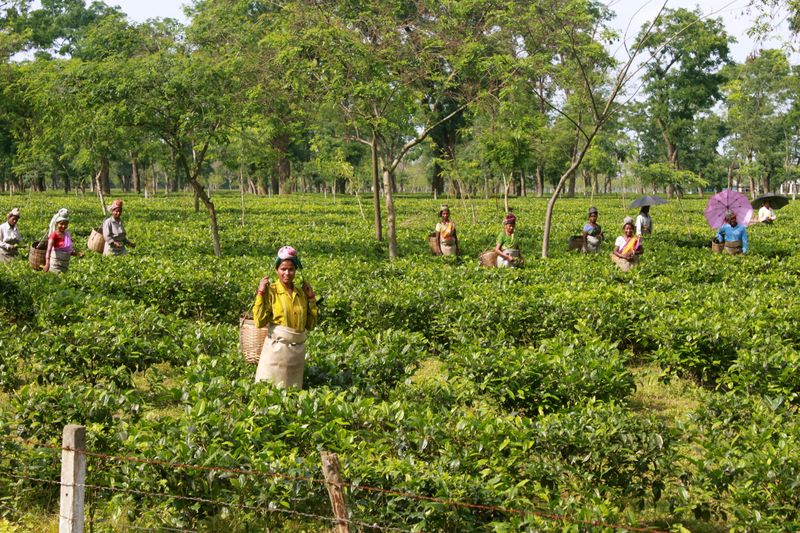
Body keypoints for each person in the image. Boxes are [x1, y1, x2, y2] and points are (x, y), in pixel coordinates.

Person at [253, 246, 318, 388]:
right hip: (275, 352)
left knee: (293, 394)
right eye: (283, 269)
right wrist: (260, 293)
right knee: (269, 391)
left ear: (296, 271)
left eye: (291, 269)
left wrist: (311, 299)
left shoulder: (301, 293)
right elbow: (258, 321)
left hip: (296, 355)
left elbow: (310, 325)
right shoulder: (271, 291)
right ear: (277, 270)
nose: (287, 273)